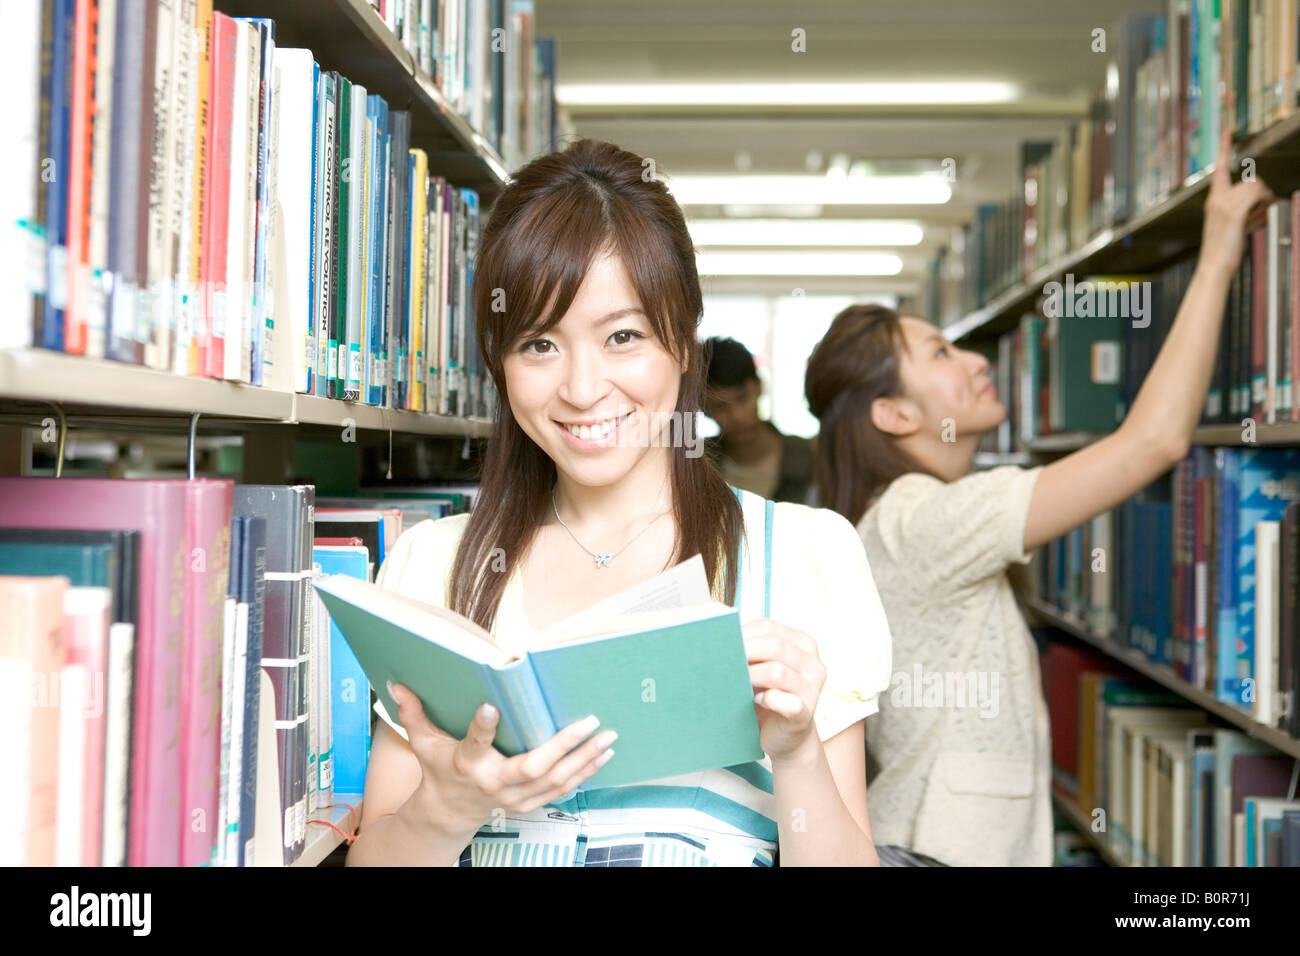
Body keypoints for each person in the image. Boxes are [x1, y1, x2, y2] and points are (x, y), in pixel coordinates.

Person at [346, 138, 893, 867]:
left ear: (685, 345)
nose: (581, 388)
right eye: (540, 344)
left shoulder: (804, 555)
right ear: (499, 361)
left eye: (623, 336)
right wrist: (445, 810)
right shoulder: (434, 568)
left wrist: (796, 755)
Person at [802, 130, 1273, 866]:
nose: (977, 359)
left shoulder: (906, 513)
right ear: (892, 415)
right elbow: (1153, 444)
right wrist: (1217, 250)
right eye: (941, 353)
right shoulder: (917, 517)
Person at [703, 337, 816, 503]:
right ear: (704, 409)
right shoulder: (697, 466)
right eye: (721, 407)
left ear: (759, 387)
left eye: (742, 398)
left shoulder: (810, 457)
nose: (737, 415)